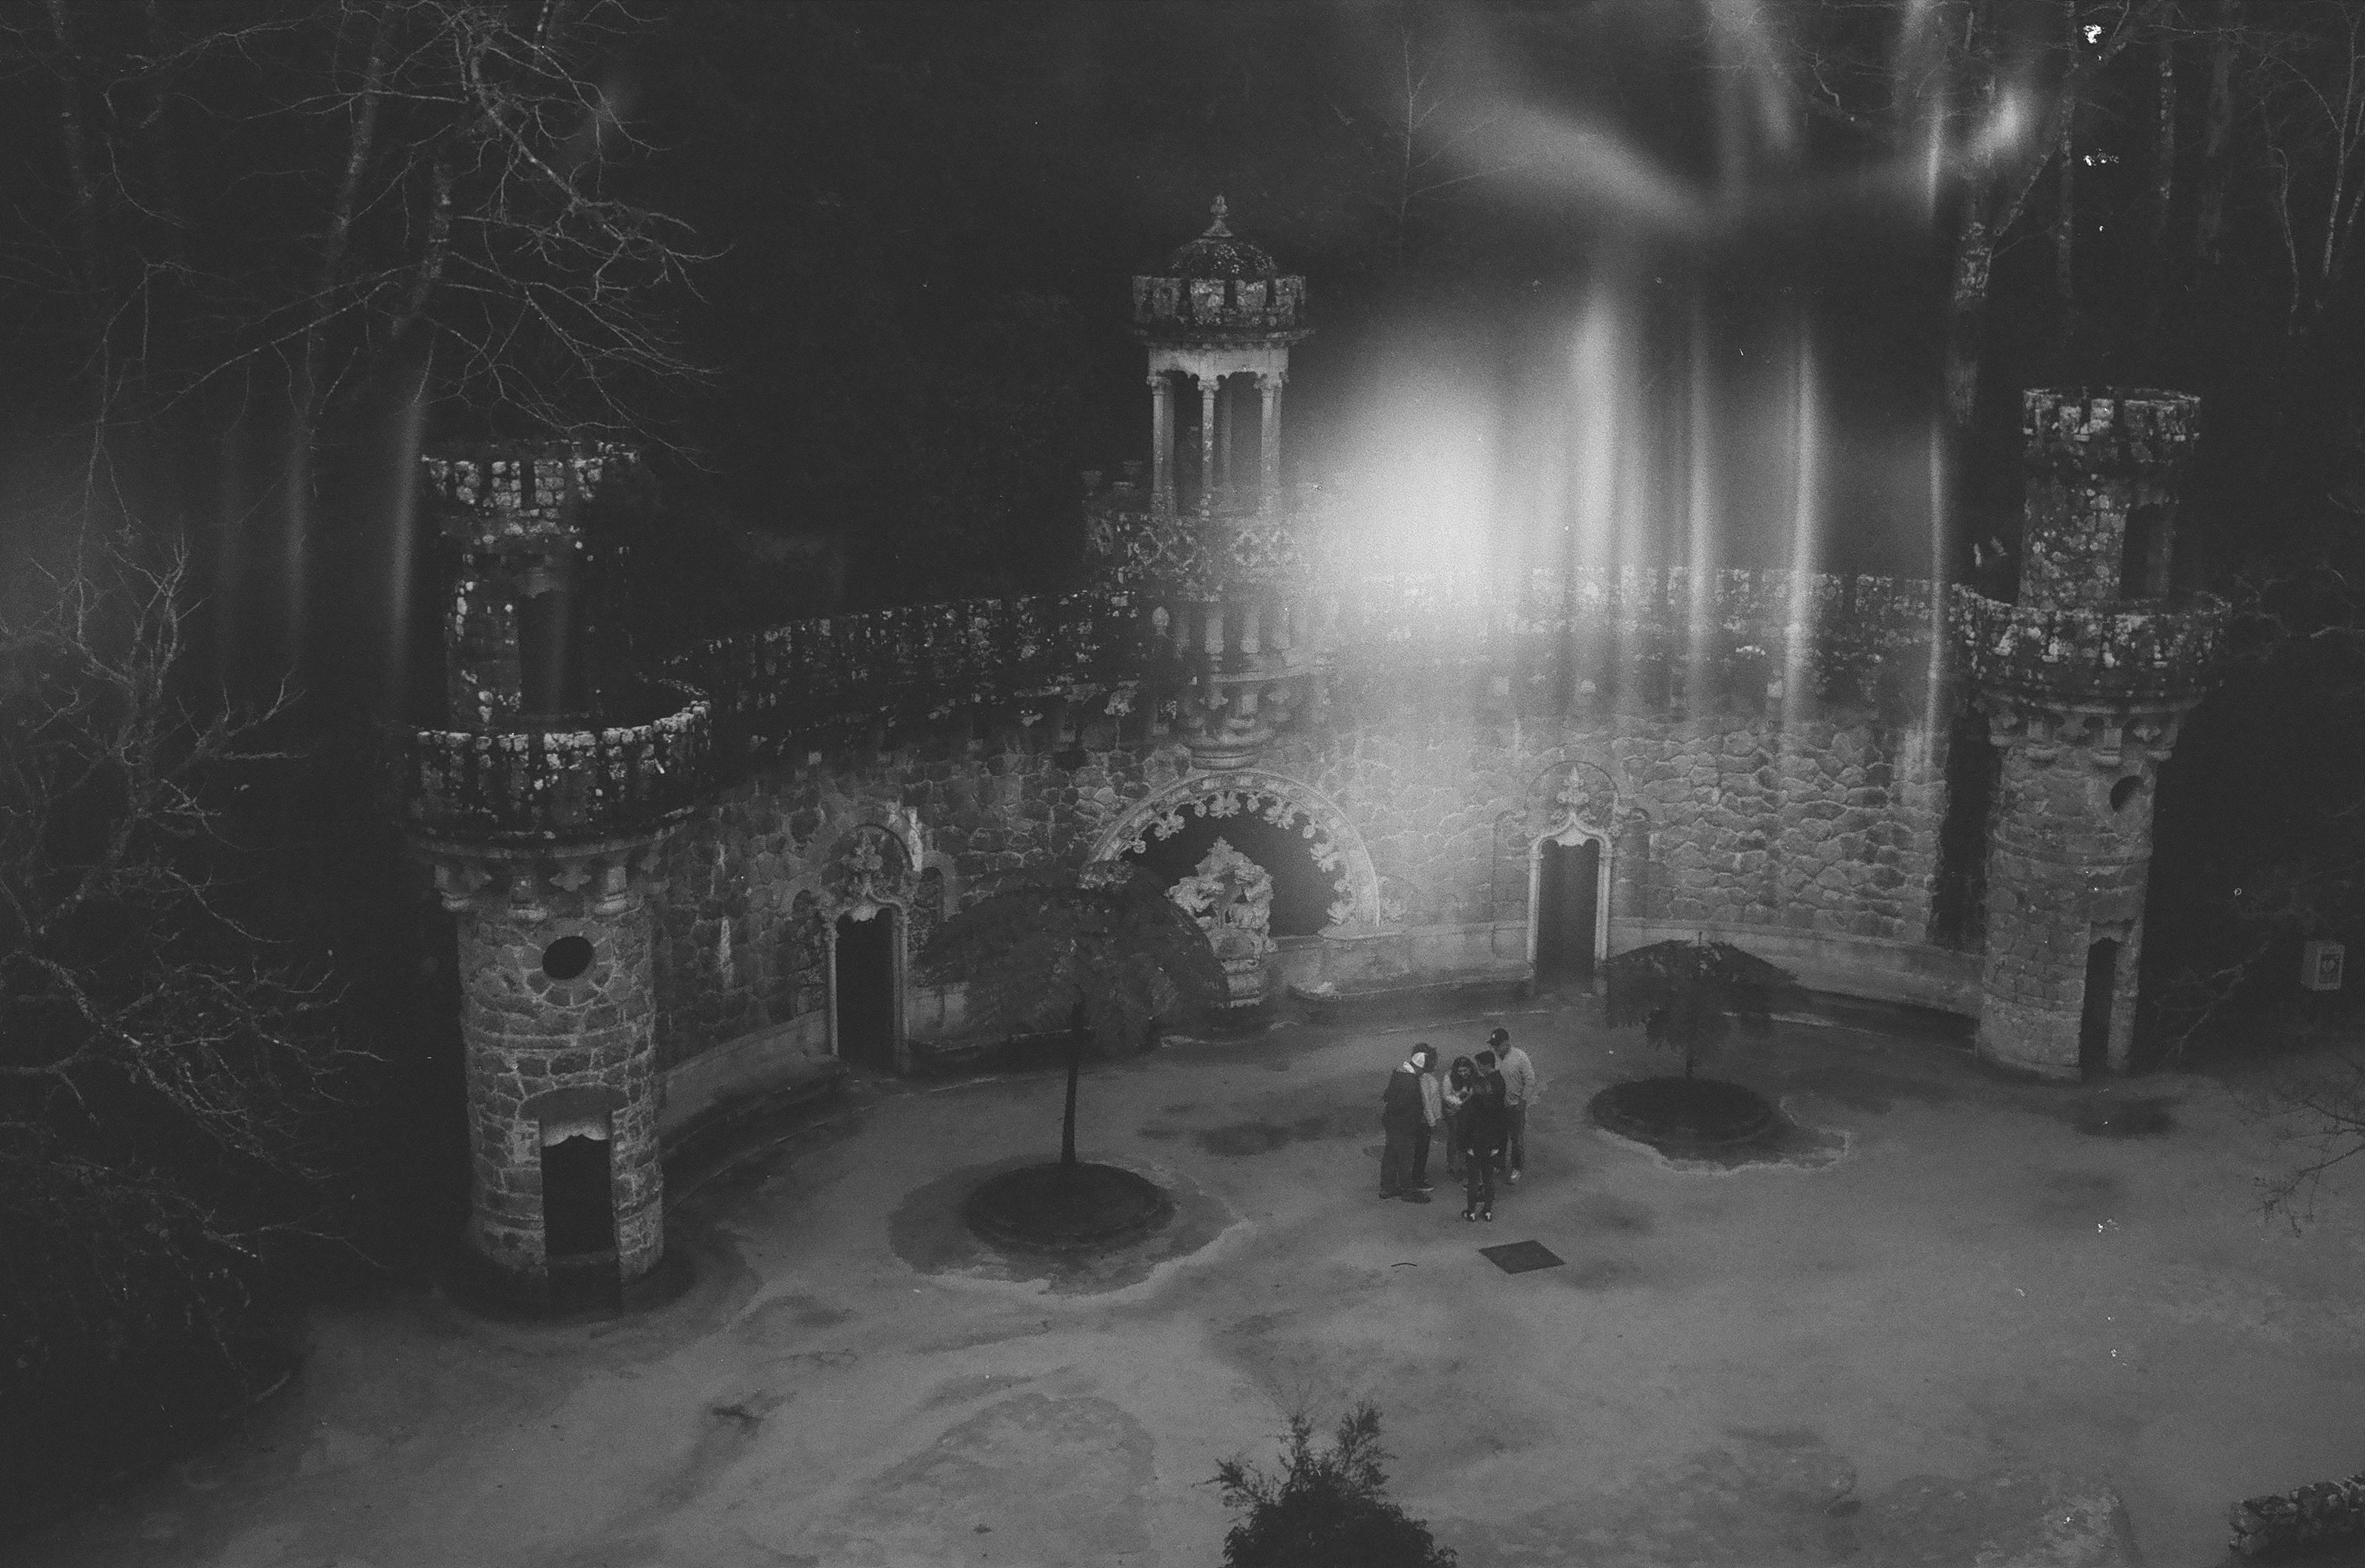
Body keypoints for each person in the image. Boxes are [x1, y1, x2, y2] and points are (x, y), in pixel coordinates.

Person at [1380, 1045, 1433, 1202]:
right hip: (1404, 1127)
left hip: (1392, 1125)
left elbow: (1388, 1097)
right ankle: (1408, 1191)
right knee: (1406, 1160)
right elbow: (1403, 1105)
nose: (1423, 1073)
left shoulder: (1398, 1074)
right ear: (1419, 1067)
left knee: (1390, 1156)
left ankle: (1387, 1187)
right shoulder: (1410, 1083)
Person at [1486, 1026, 1540, 1183]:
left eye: (1498, 1045)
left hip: (1515, 1105)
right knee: (1498, 1137)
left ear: (1507, 1043)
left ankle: (1517, 1168)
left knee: (1516, 1140)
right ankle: (1499, 1164)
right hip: (1498, 1106)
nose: (1495, 1048)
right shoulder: (1494, 1058)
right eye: (1493, 1045)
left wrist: (1523, 1101)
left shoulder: (1520, 1057)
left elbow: (1530, 1080)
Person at [1458, 1059, 1508, 1222]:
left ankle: (1471, 1211)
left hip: (1474, 1147)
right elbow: (1500, 1127)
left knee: (1473, 1180)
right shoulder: (1494, 1107)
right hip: (1490, 1147)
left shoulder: (1470, 1107)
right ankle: (1487, 1210)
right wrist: (1497, 1146)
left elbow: (1465, 1128)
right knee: (1488, 1179)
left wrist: (1465, 1146)